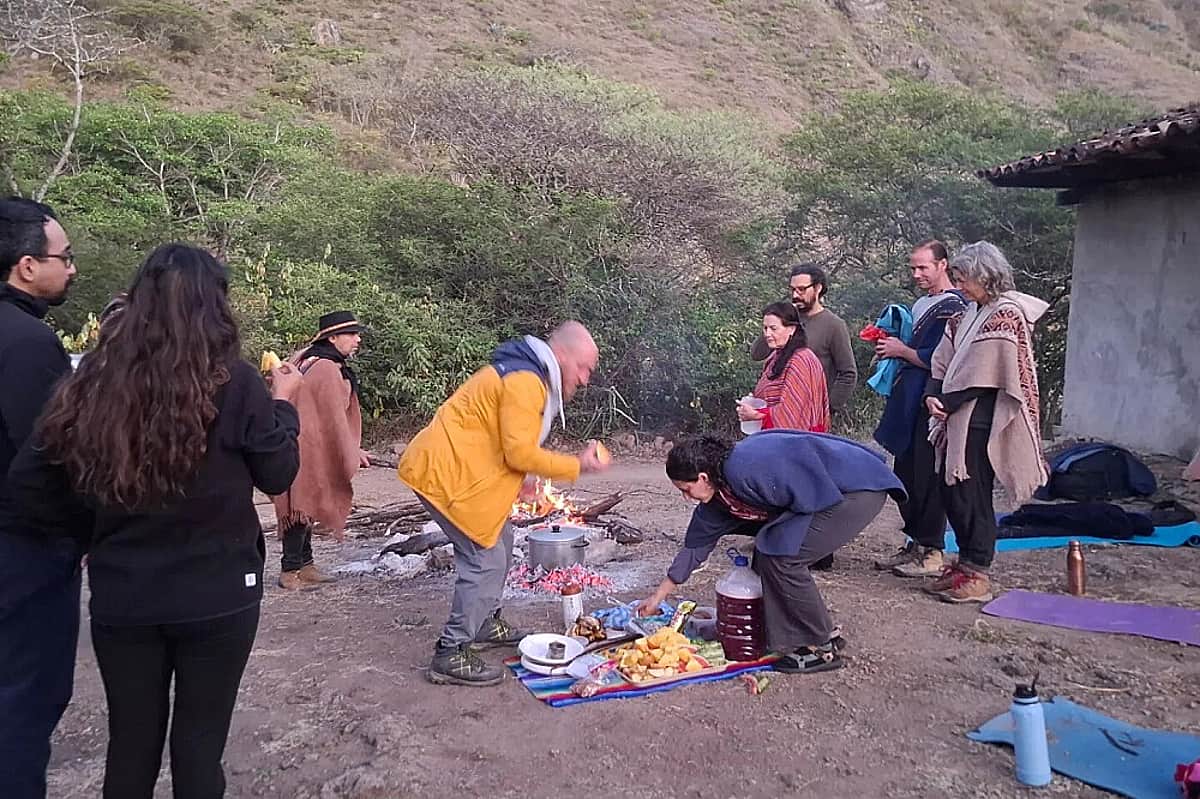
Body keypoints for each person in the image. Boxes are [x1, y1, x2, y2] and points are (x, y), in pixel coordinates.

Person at [7, 243, 302, 798]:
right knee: (199, 746)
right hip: (219, 594)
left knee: (131, 746)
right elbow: (279, 472)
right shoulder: (235, 383)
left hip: (126, 597)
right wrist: (284, 403)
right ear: (215, 307)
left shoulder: (94, 381)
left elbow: (30, 486)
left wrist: (92, 534)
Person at [399, 321, 609, 686]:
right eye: (584, 367)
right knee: (484, 560)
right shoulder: (526, 381)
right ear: (562, 355)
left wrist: (525, 481)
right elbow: (519, 452)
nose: (586, 378)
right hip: (445, 477)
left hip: (458, 475)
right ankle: (451, 651)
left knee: (503, 539)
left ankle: (483, 623)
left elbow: (504, 438)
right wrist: (577, 465)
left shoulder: (529, 375)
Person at [638, 432, 905, 673]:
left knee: (783, 557)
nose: (687, 497)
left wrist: (786, 538)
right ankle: (792, 634)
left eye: (686, 490)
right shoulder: (717, 498)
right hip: (821, 494)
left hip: (854, 490)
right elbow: (694, 548)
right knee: (771, 552)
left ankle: (821, 647)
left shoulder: (746, 469)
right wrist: (657, 598)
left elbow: (809, 487)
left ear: (703, 477)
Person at [0, 197, 79, 799]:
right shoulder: (27, 343)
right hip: (23, 555)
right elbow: (48, 460)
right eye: (65, 257)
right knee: (25, 700)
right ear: (27, 265)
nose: (71, 269)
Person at [923, 241, 1048, 603]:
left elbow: (990, 370)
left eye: (964, 279)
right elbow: (943, 359)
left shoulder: (1007, 313)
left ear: (984, 275)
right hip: (954, 416)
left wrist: (947, 400)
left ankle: (978, 571)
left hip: (979, 418)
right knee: (951, 492)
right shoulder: (966, 314)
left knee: (972, 493)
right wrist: (933, 393)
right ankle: (964, 562)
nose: (959, 286)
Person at [872, 240, 967, 578]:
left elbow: (946, 360)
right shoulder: (922, 304)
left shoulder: (955, 307)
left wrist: (903, 352)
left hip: (930, 399)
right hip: (906, 398)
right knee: (905, 473)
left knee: (928, 475)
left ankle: (932, 549)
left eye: (923, 267)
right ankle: (914, 541)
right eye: (913, 268)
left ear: (943, 264)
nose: (916, 274)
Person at [271, 310, 369, 591]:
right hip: (308, 443)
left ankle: (306, 564)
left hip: (299, 439)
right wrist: (351, 449)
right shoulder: (325, 367)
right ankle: (290, 571)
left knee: (306, 502)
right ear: (333, 337)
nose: (357, 340)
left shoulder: (308, 357)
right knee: (301, 503)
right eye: (351, 335)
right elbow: (333, 418)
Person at [752, 263, 857, 417]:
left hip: (810, 414)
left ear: (817, 288)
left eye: (801, 289)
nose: (795, 295)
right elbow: (757, 354)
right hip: (776, 411)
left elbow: (848, 373)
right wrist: (776, 322)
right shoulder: (786, 319)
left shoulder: (834, 325)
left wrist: (828, 409)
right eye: (793, 289)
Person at [736, 301, 829, 433]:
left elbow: (794, 413)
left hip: (797, 443)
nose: (767, 334)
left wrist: (756, 415)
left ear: (792, 329)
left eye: (773, 328)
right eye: (765, 328)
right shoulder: (775, 357)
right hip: (774, 439)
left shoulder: (801, 360)